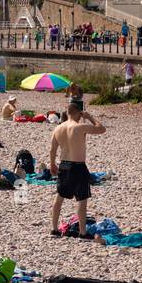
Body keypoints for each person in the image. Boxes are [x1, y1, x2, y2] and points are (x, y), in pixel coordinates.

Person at [49, 100, 106, 237]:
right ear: (79, 113)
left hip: (64, 165)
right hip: (78, 166)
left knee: (59, 197)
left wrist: (52, 164)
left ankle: (54, 229)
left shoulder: (58, 128)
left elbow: (52, 150)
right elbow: (101, 129)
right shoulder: (80, 127)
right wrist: (89, 117)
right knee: (82, 199)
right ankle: (82, 232)